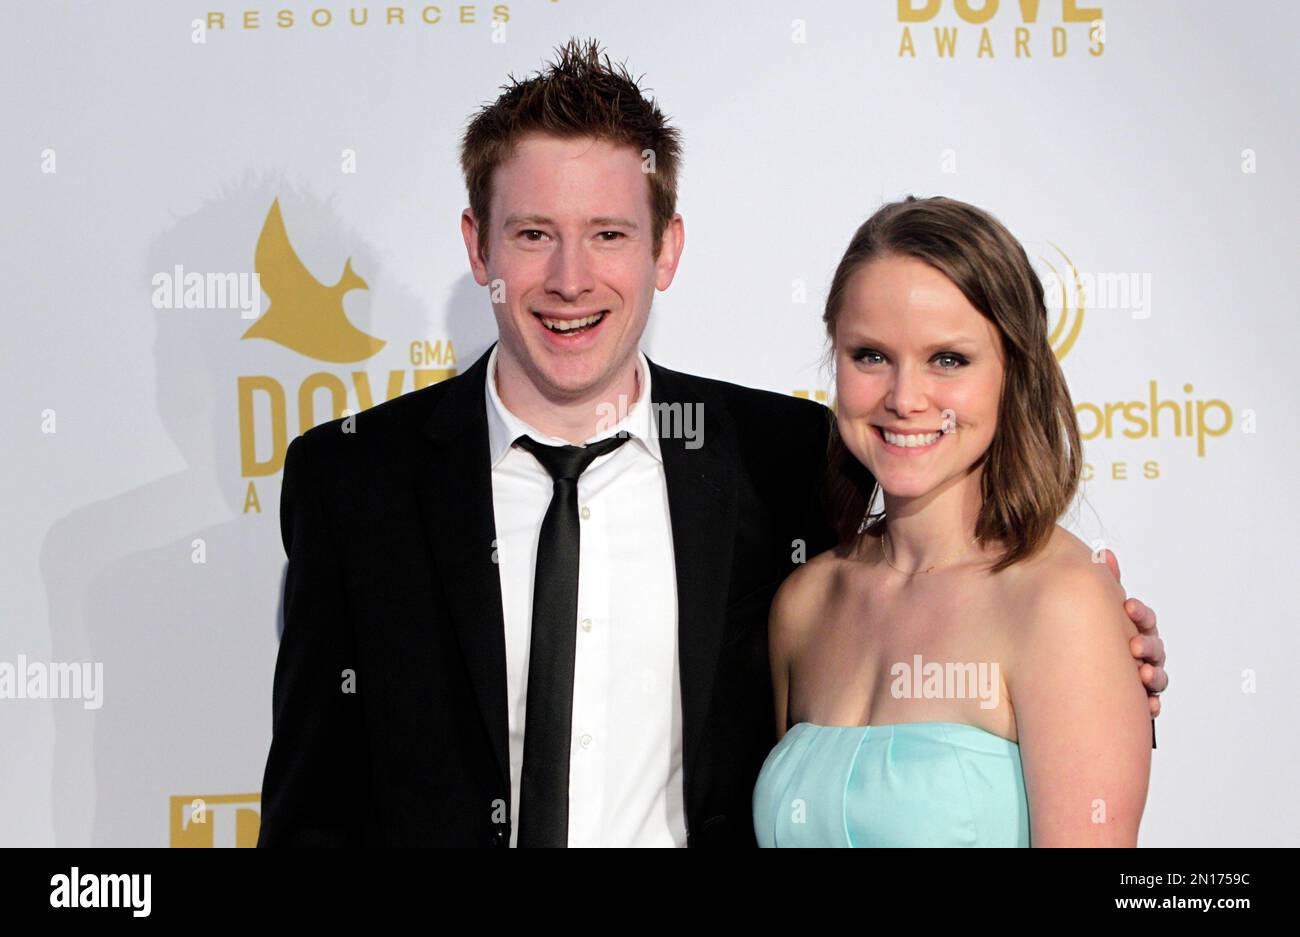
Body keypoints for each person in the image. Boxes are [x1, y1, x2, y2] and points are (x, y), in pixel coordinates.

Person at [256, 39, 1166, 848]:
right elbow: (311, 813)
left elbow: (985, 624)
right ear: (478, 246)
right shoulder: (355, 482)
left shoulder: (781, 461)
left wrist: (1097, 667)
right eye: (534, 234)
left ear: (667, 249)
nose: (571, 279)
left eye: (609, 234)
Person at [753, 196, 1155, 847]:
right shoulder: (805, 602)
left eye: (949, 359)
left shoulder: (1061, 600)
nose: (905, 398)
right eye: (871, 355)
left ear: (1013, 372)